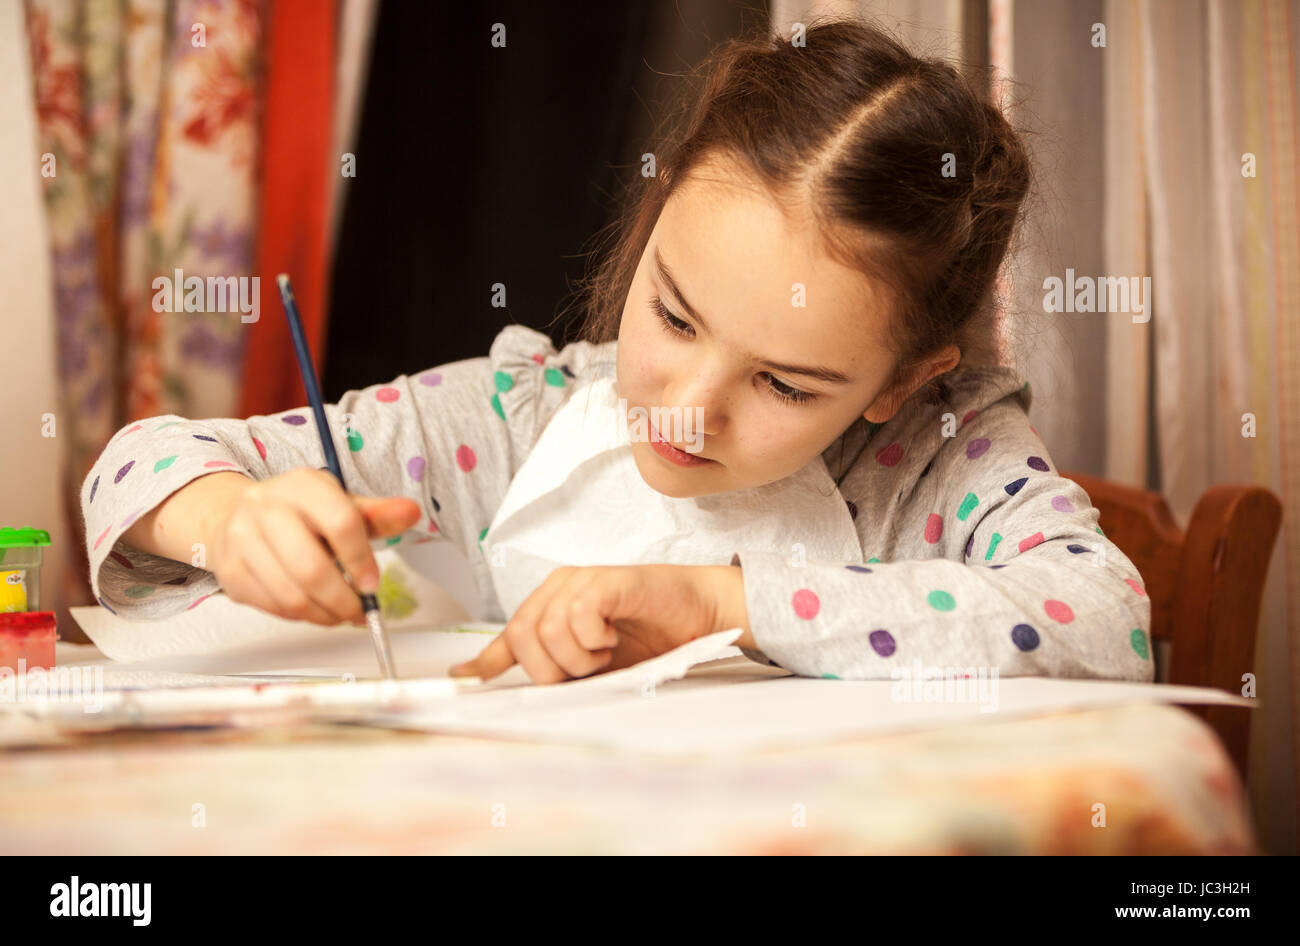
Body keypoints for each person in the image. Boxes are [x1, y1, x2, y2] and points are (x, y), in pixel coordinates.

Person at [81, 18, 1153, 685]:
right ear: (648, 232)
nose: (688, 404)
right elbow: (135, 465)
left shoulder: (937, 462)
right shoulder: (516, 421)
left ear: (905, 381)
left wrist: (720, 604)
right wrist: (230, 520)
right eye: (675, 317)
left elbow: (1104, 623)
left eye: (783, 381)